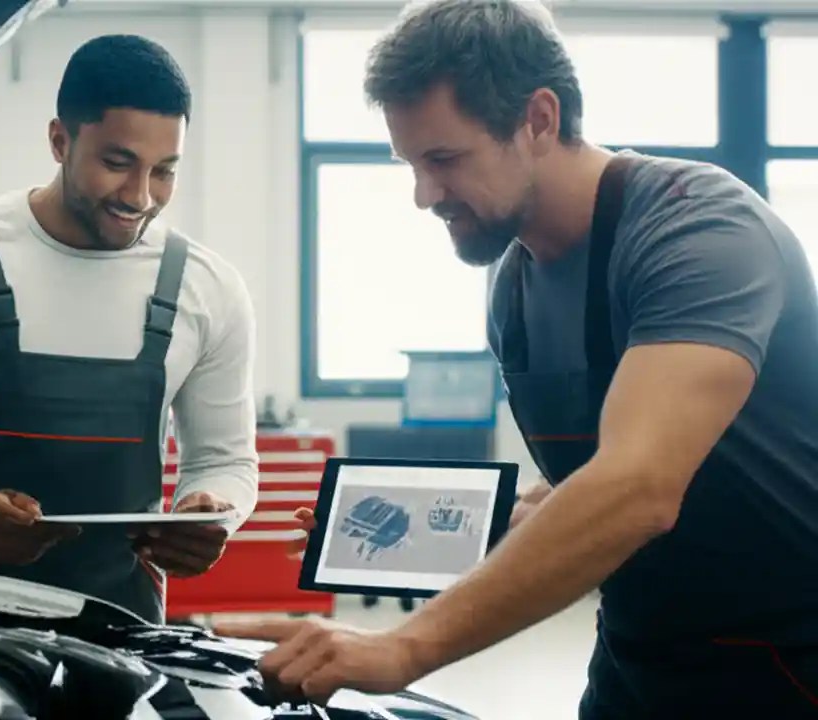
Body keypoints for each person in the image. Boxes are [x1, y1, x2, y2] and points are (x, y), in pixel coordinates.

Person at [217, 1, 818, 717]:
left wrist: (402, 647)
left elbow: (638, 487)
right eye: (410, 164)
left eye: (443, 159)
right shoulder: (515, 282)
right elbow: (580, 481)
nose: (423, 195)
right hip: (641, 657)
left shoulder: (699, 231)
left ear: (538, 119)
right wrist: (421, 531)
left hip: (788, 664)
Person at [0, 34, 259, 625]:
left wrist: (212, 512)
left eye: (163, 172)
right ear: (60, 140)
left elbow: (227, 462)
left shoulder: (207, 286)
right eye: (117, 163)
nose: (140, 197)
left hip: (119, 623)